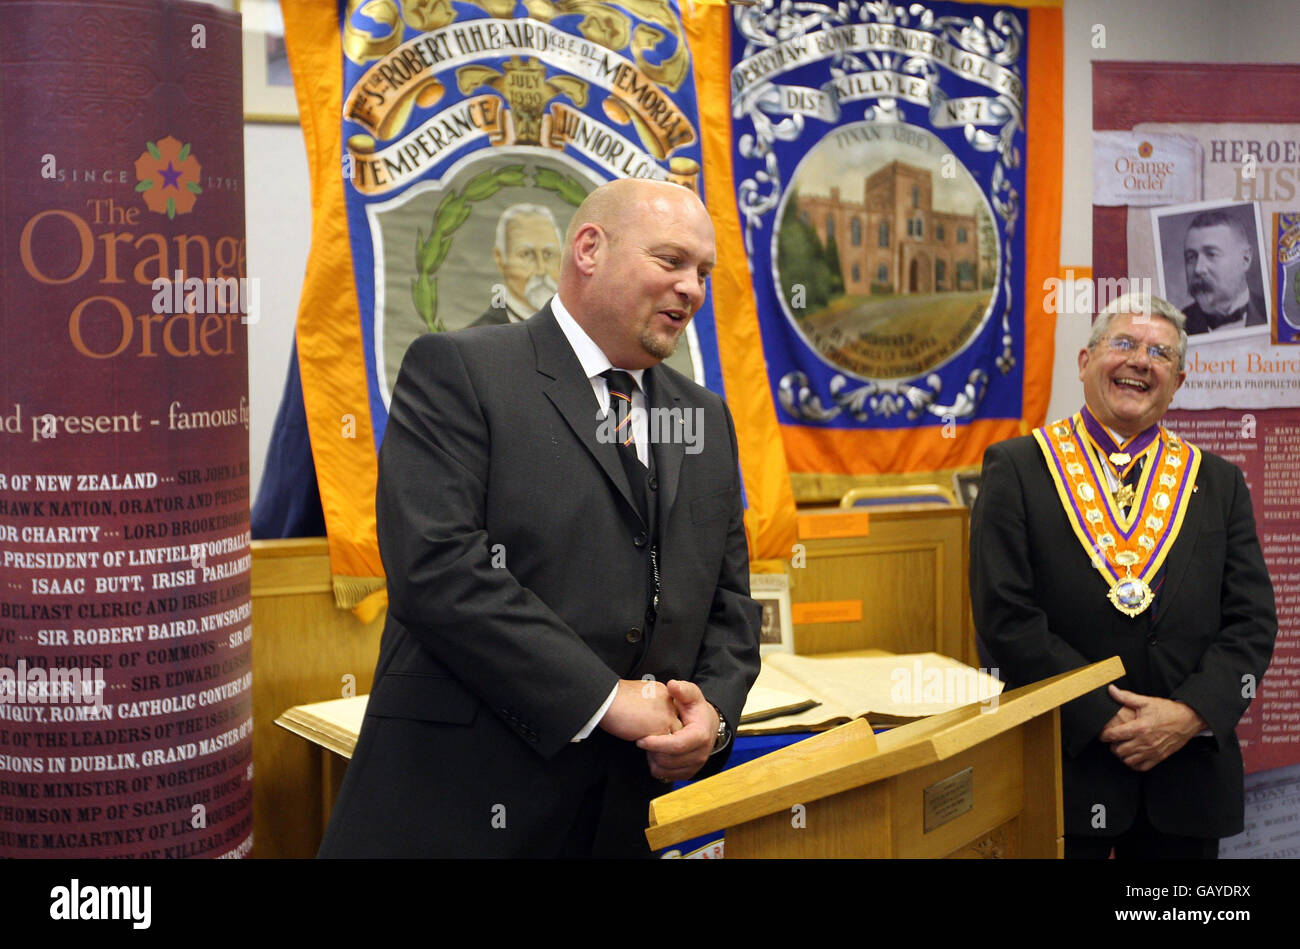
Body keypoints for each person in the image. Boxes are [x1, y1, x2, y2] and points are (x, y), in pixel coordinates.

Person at [319, 178, 762, 858]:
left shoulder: (703, 416)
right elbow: (437, 571)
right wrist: (604, 697)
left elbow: (731, 603)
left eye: (703, 272)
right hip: (459, 813)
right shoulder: (461, 371)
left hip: (622, 820)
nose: (692, 288)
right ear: (589, 248)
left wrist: (716, 717)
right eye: (670, 261)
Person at [970, 293, 1276, 859]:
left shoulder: (1220, 482)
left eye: (1160, 353)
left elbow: (1252, 623)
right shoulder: (1017, 468)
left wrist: (1189, 715)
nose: (1141, 360)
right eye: (1125, 344)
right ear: (1085, 362)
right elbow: (1005, 617)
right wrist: (1104, 717)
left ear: (1177, 380)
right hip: (1064, 766)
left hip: (1187, 778)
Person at [470, 203, 563, 327]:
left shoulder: (579, 331)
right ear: (500, 259)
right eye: (526, 254)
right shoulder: (476, 341)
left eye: (548, 254)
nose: (541, 270)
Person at [1180, 210, 1267, 334]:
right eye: (1191, 257)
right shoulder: (1173, 328)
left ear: (1245, 260)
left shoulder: (1276, 313)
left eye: (1211, 254)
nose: (1198, 269)